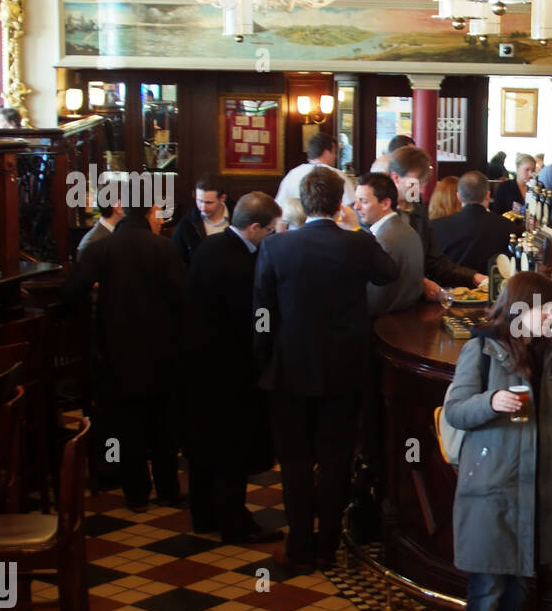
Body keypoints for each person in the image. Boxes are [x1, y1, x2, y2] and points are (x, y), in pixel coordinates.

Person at [442, 271, 552, 611]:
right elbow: (455, 412)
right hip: (493, 484)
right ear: (522, 310)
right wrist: (491, 402)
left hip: (535, 486)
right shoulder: (480, 349)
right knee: (487, 589)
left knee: (520, 581)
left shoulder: (551, 353)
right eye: (548, 308)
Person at [253, 167, 399, 570]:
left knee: (295, 462)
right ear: (340, 204)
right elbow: (390, 273)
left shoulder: (277, 248)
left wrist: (265, 358)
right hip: (344, 369)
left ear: (303, 202)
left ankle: (299, 542)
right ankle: (328, 544)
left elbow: (262, 313)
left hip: (290, 369)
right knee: (336, 458)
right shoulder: (358, 245)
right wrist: (361, 233)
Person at [63, 203, 187, 512]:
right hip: (161, 351)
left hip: (115, 351)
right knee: (163, 426)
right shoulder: (165, 249)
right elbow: (182, 299)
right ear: (146, 215)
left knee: (127, 426)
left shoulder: (101, 249)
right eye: (158, 214)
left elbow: (71, 294)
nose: (161, 220)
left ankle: (136, 494)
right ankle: (168, 489)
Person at [181, 192, 283, 545]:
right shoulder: (244, 264)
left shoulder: (210, 247)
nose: (271, 237)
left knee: (203, 445)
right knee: (232, 449)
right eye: (269, 230)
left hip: (196, 366)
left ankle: (203, 515)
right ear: (254, 227)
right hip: (231, 369)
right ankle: (234, 522)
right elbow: (255, 321)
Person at [389, 146, 487, 298]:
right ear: (395, 178)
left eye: (423, 184)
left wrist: (473, 277)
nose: (421, 190)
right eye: (415, 183)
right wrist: (420, 281)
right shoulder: (378, 211)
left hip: (413, 301)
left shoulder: (419, 213)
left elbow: (435, 263)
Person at [354, 172, 424, 317]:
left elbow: (374, 300)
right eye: (356, 200)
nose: (356, 206)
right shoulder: (408, 230)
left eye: (364, 201)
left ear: (385, 203)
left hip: (385, 326)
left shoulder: (384, 240)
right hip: (408, 317)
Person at [431, 171, 520, 274]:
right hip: (492, 288)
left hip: (450, 288)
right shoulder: (507, 226)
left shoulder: (437, 227)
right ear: (488, 195)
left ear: (459, 197)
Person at [274, 132, 345, 213]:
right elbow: (349, 206)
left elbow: (279, 208)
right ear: (326, 153)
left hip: (296, 225)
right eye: (334, 152)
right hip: (330, 224)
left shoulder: (292, 174)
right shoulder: (337, 175)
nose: (335, 156)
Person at [172, 174, 229, 268]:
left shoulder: (238, 217)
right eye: (199, 201)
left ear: (222, 198)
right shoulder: (186, 224)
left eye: (209, 203)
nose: (203, 207)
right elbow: (175, 259)